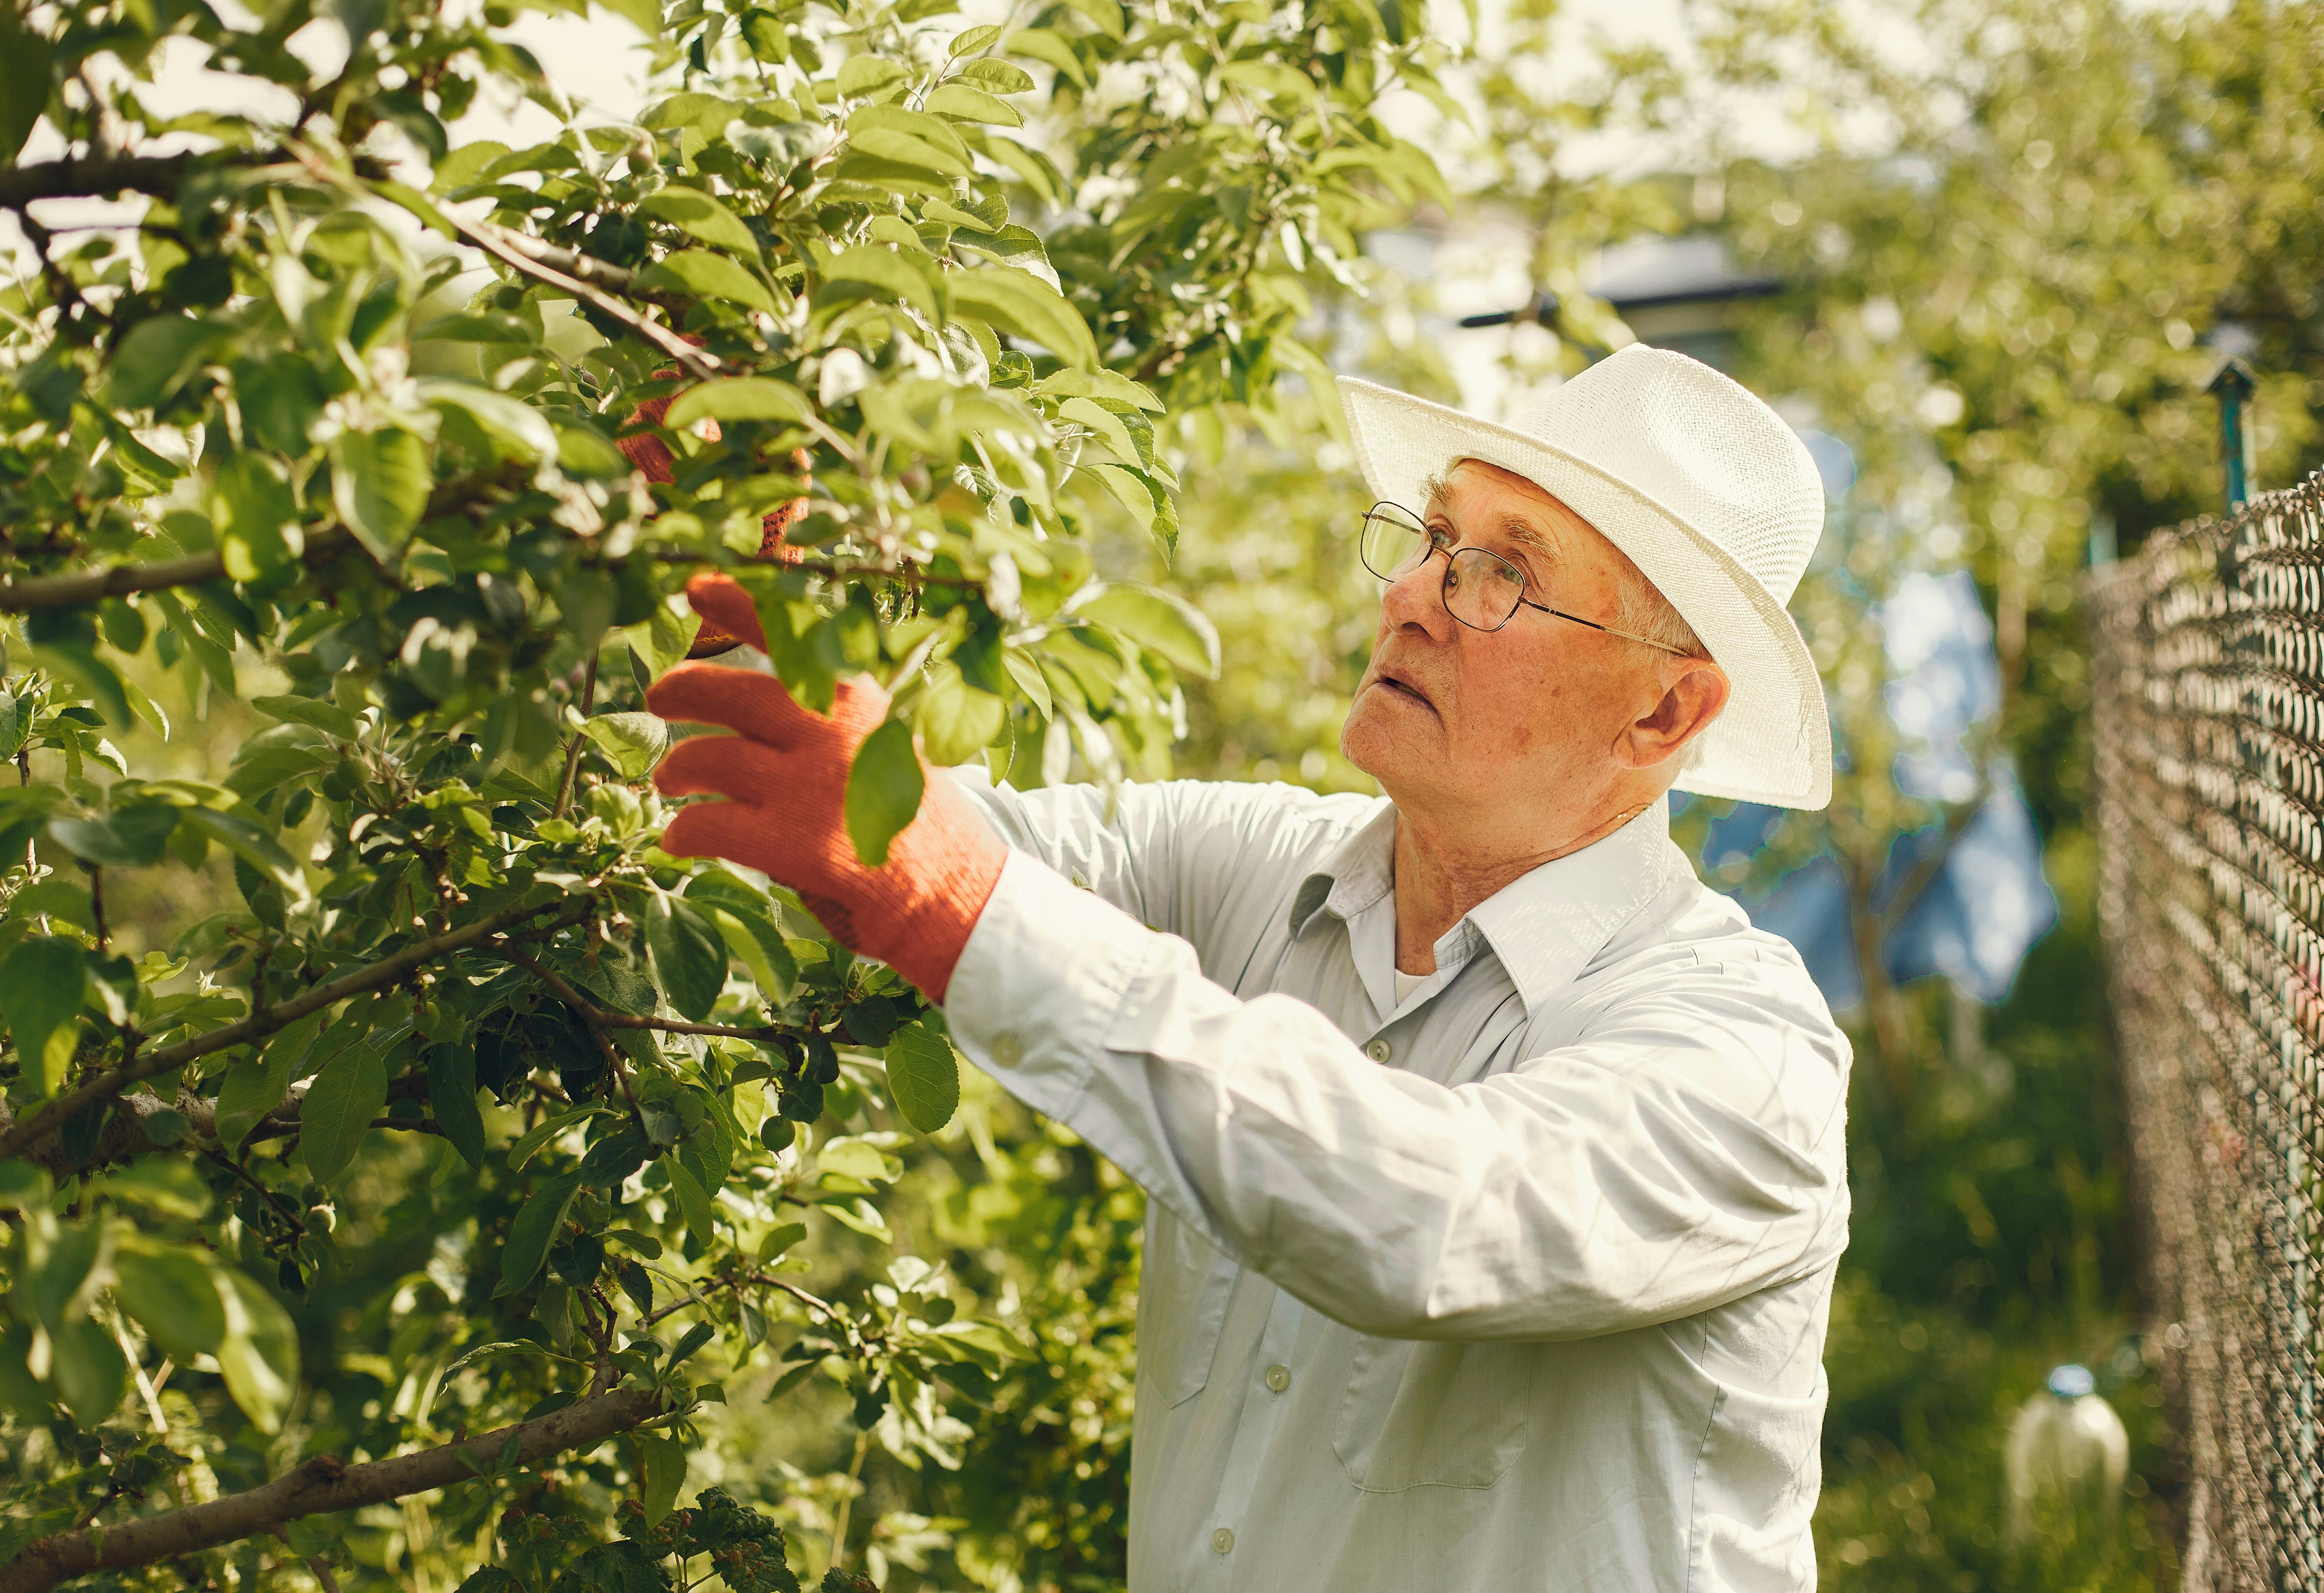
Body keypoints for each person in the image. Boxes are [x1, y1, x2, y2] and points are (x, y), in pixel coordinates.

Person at [644, 345, 1851, 1592]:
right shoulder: (1251, 865)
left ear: (1665, 714)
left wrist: (950, 899)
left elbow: (1431, 1216)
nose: (1418, 596)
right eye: (1436, 536)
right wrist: (735, 571)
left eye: (1507, 572)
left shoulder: (1745, 1060)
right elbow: (846, 820)